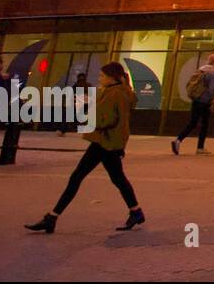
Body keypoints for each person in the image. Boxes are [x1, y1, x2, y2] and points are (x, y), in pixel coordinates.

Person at [25, 62, 145, 234]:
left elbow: (106, 119)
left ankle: (52, 217)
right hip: (110, 142)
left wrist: (89, 113)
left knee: (78, 177)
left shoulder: (113, 94)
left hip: (104, 141)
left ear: (112, 77)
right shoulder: (122, 92)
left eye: (102, 76)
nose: (100, 78)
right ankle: (136, 211)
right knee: (117, 179)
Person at [172, 53, 214, 155]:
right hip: (205, 101)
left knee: (193, 122)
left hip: (196, 99)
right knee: (204, 124)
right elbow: (212, 89)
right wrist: (213, 99)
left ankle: (178, 140)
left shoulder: (200, 70)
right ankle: (200, 147)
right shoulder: (213, 73)